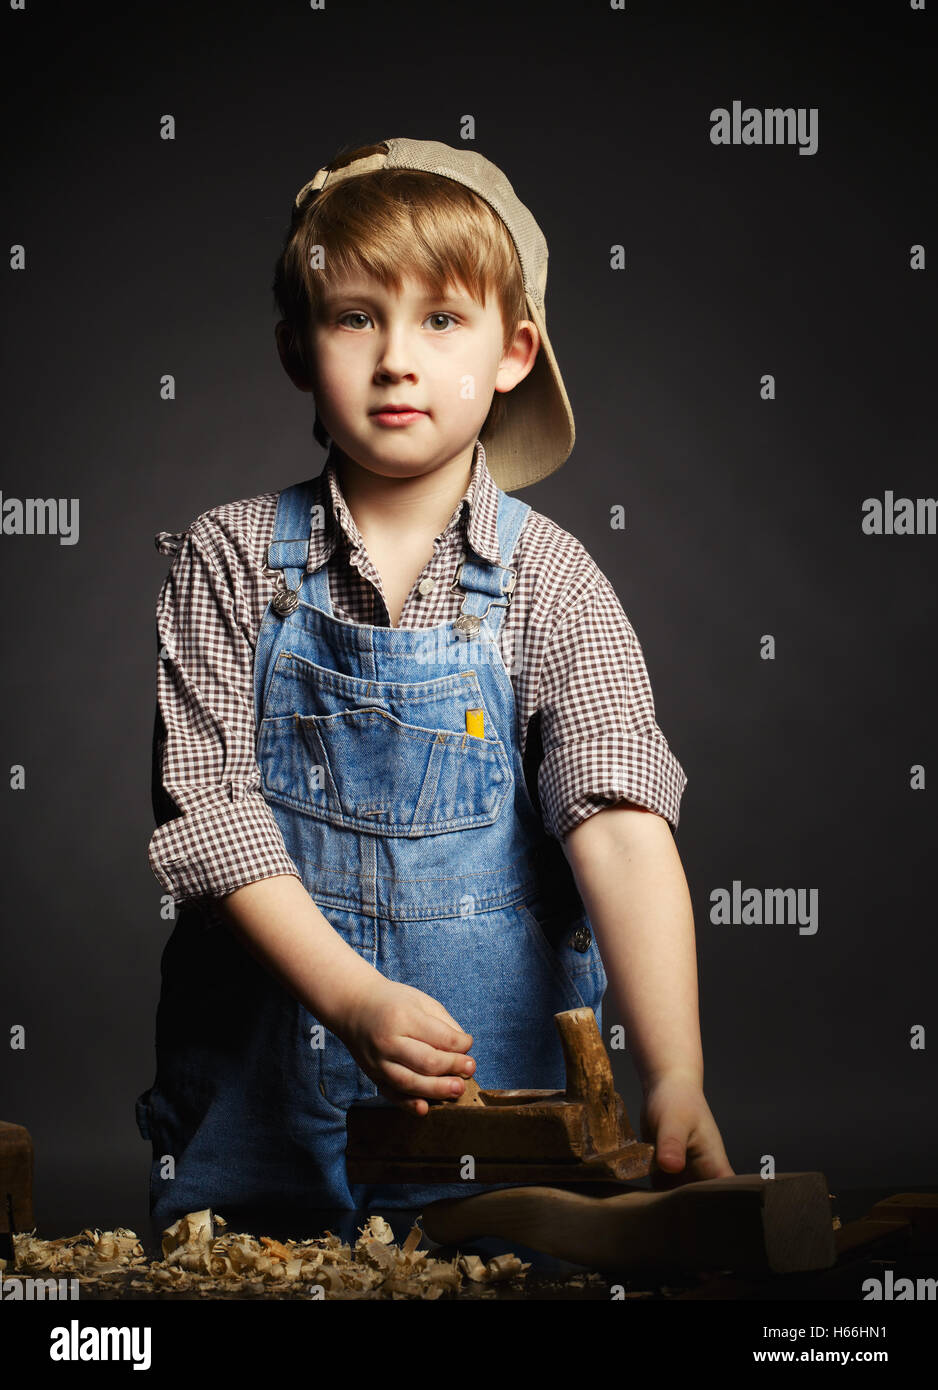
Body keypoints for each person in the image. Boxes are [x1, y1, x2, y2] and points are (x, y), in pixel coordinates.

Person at [136, 137, 732, 1242]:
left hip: (500, 1142)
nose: (395, 359)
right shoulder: (225, 560)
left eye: (440, 319)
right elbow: (212, 817)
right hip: (254, 1139)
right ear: (295, 347)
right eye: (354, 316)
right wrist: (352, 1000)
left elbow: (618, 824)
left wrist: (674, 1067)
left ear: (512, 351)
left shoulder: (553, 582)